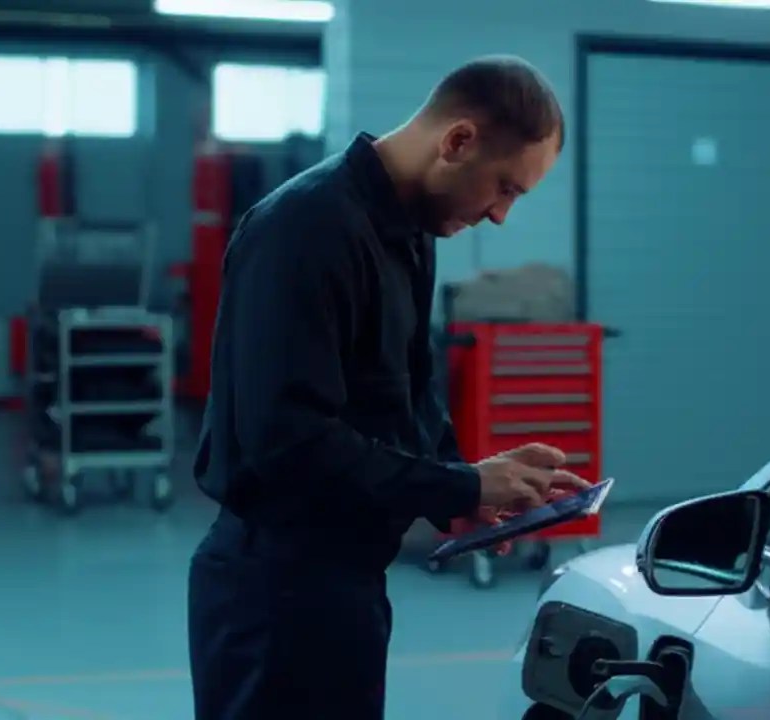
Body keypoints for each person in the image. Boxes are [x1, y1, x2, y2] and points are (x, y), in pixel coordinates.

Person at [187, 55, 580, 720]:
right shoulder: (304, 229)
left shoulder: (410, 230)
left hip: (350, 582)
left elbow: (408, 386)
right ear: (457, 142)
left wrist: (462, 484)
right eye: (505, 189)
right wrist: (458, 487)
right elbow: (288, 441)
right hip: (276, 595)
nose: (500, 216)